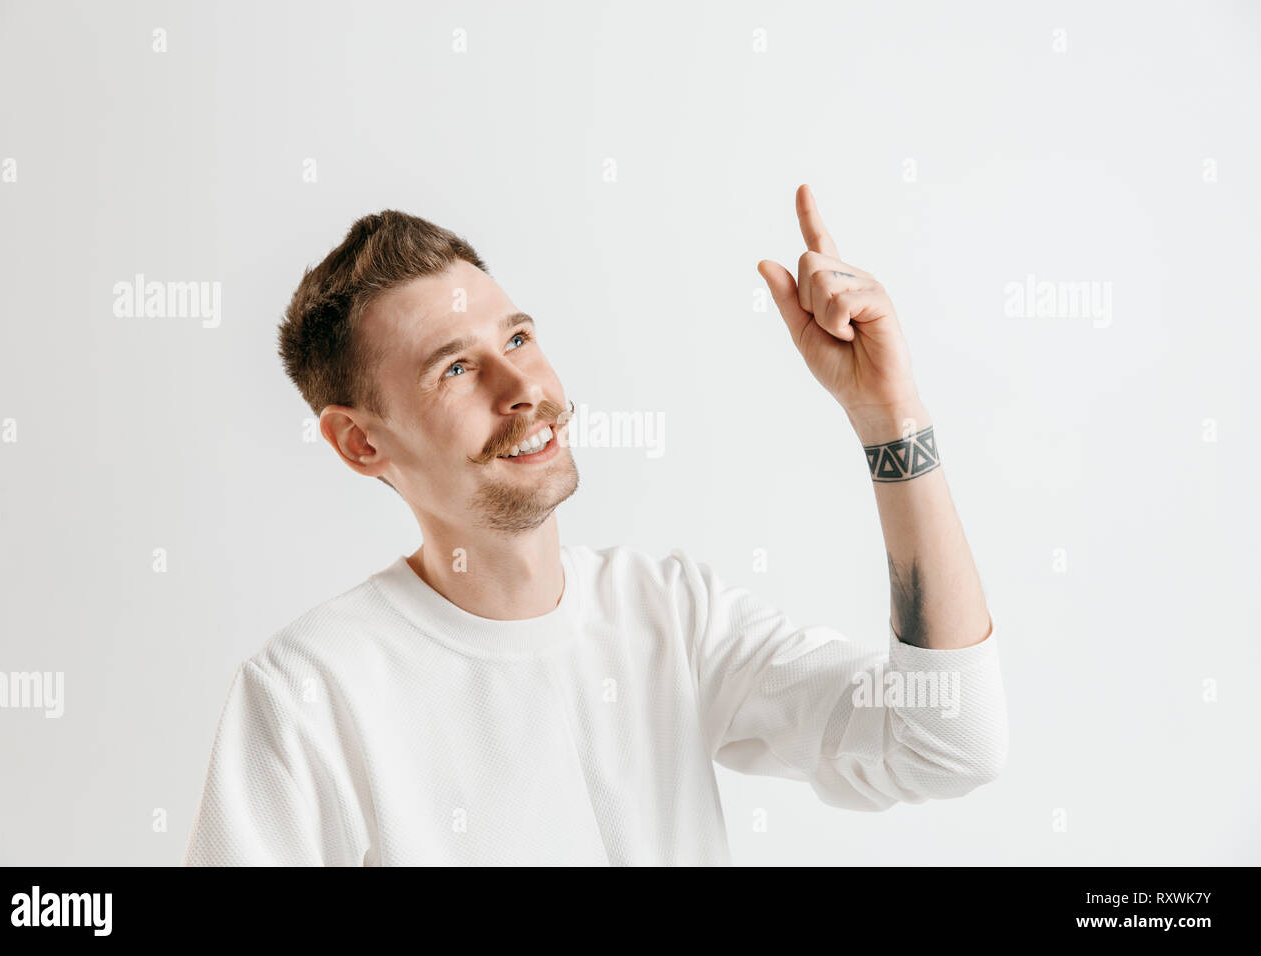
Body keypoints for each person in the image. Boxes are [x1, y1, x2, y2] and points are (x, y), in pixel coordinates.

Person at [181, 186, 1007, 866]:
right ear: (361, 442)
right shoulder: (307, 696)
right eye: (457, 367)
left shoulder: (669, 617)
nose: (522, 389)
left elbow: (946, 740)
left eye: (517, 336)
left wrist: (887, 415)